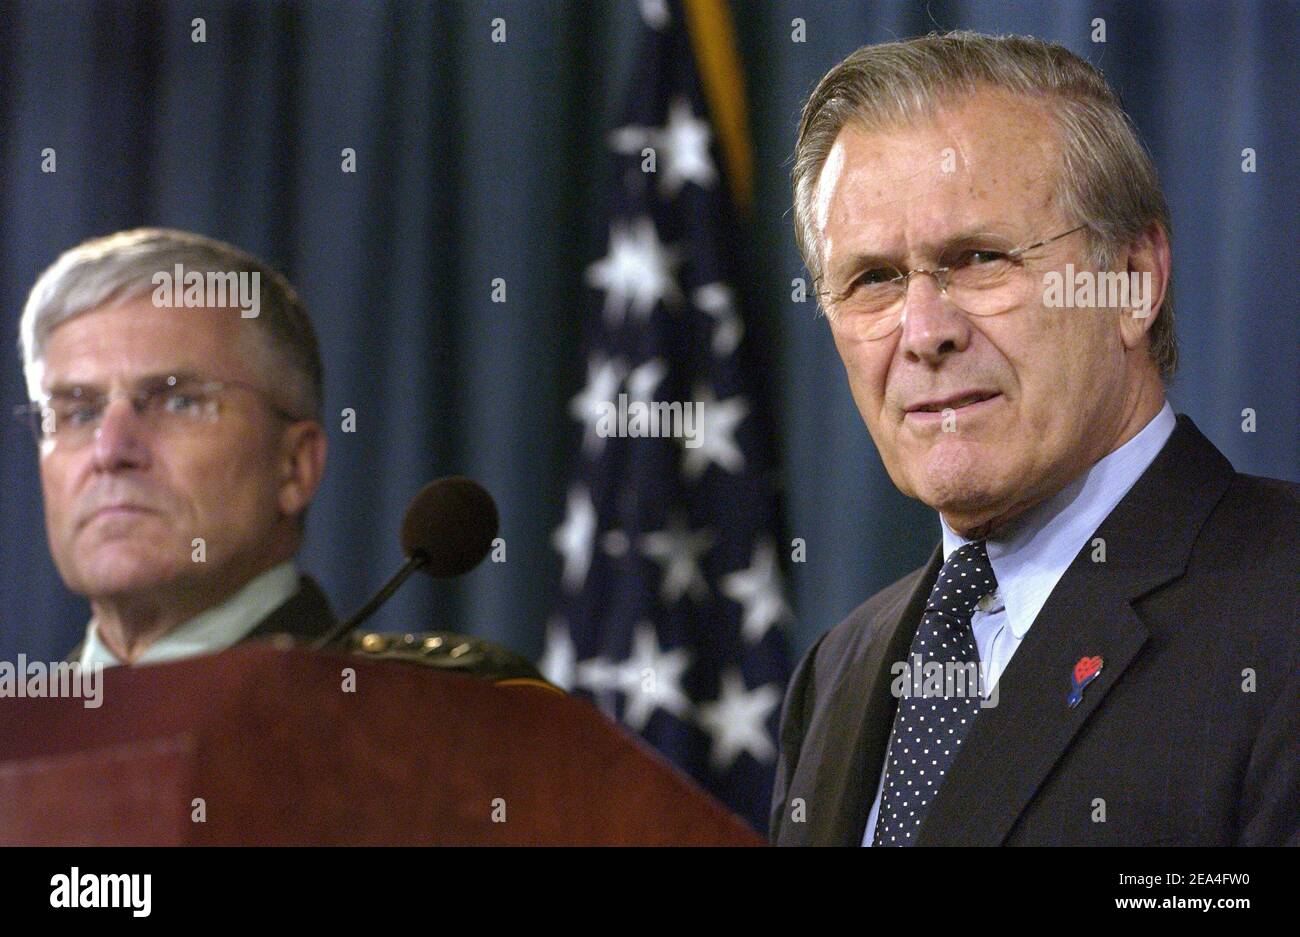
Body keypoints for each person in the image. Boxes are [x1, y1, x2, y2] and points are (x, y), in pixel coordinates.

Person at [770, 31, 1298, 846]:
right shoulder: (839, 671)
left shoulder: (1281, 608)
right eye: (873, 278)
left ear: (1132, 281)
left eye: (980, 259)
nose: (923, 331)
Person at [17, 228, 333, 667]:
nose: (109, 451)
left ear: (294, 466)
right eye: (80, 413)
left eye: (179, 402)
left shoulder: (425, 718)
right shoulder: (19, 729)